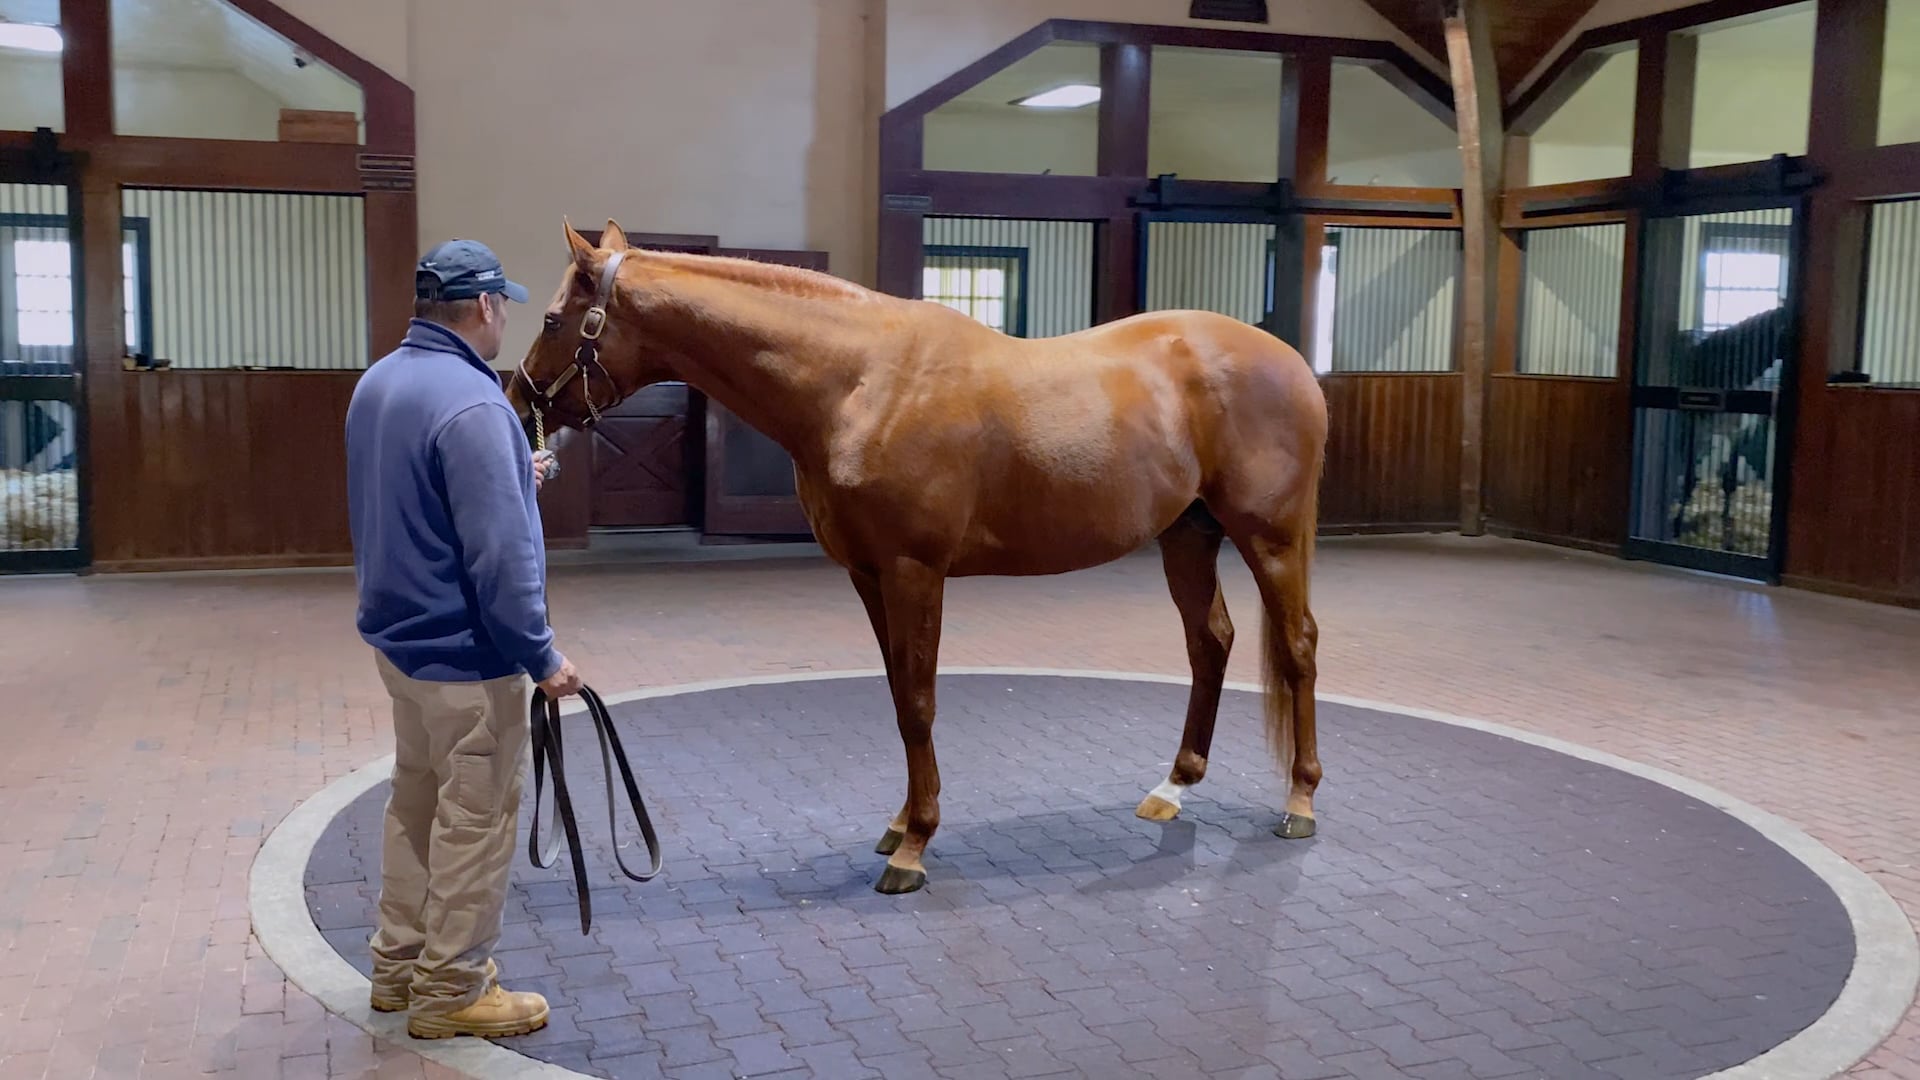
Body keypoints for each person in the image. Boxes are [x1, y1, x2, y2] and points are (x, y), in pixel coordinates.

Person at [344, 238, 580, 1040]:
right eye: (503, 305)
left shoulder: (379, 383)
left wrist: (519, 472)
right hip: (468, 658)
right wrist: (542, 657)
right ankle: (452, 989)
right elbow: (500, 560)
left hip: (399, 648)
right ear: (483, 306)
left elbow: (422, 496)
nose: (504, 317)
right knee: (475, 822)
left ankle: (397, 967)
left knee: (415, 802)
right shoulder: (476, 406)